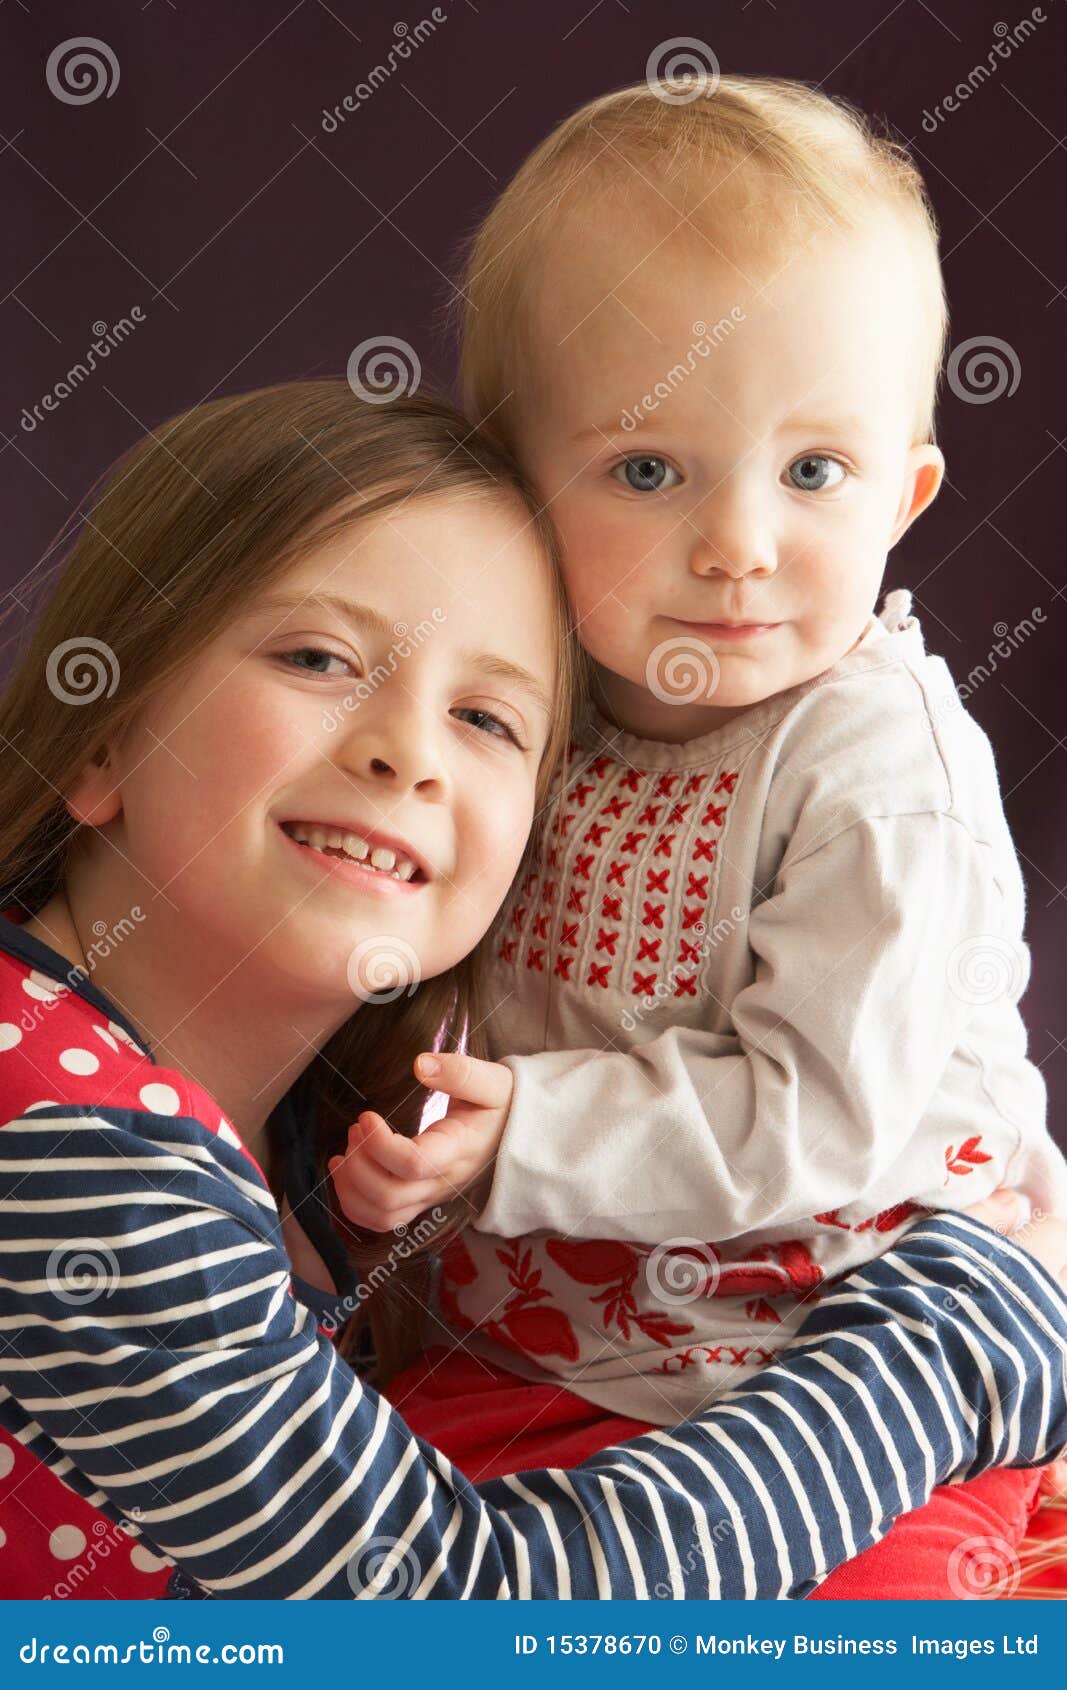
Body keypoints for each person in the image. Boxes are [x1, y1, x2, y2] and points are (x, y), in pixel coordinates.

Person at [1, 381, 1065, 1602]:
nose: (407, 748)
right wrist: (957, 1343)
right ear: (99, 738)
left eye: (487, 718)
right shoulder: (75, 1161)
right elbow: (454, 1628)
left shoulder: (321, 1160)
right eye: (317, 657)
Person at [326, 77, 1067, 1596]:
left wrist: (516, 1129)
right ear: (517, 488)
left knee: (864, 1615)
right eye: (646, 470)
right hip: (548, 1342)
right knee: (377, 1582)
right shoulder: (527, 700)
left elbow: (813, 1114)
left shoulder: (874, 768)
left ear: (905, 492)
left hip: (847, 1344)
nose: (736, 545)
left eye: (812, 472)